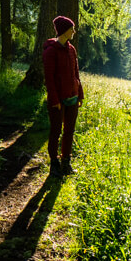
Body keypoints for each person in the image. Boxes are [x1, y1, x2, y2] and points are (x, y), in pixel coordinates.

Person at [43, 15, 84, 176]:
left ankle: (66, 163)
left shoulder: (71, 49)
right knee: (55, 131)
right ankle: (54, 164)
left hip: (72, 97)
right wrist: (54, 100)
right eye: (71, 28)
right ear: (64, 31)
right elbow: (49, 79)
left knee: (69, 131)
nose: (74, 31)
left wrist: (80, 94)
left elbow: (76, 73)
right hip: (58, 100)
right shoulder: (50, 52)